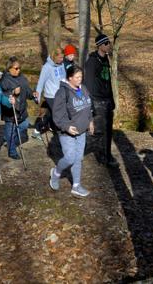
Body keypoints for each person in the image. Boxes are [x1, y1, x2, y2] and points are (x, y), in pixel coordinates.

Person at [49, 64, 94, 197]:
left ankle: (76, 186)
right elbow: (57, 115)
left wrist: (90, 121)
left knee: (78, 158)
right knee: (69, 158)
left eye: (81, 76)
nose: (80, 79)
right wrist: (67, 126)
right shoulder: (62, 92)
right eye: (77, 77)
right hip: (67, 132)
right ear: (69, 78)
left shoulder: (84, 89)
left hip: (82, 131)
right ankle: (55, 173)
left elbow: (88, 107)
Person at [84, 33, 117, 167]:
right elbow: (89, 84)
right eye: (106, 43)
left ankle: (106, 157)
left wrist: (112, 100)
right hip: (97, 101)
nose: (109, 45)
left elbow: (108, 82)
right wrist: (90, 105)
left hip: (107, 101)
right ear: (100, 46)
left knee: (108, 131)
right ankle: (76, 152)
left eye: (109, 43)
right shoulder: (92, 62)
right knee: (97, 134)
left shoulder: (105, 60)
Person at [1, 57, 38, 159]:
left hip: (22, 110)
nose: (19, 70)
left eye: (19, 68)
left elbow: (27, 91)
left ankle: (8, 139)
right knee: (11, 131)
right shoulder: (4, 80)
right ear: (9, 68)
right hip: (11, 111)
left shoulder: (22, 78)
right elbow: (1, 95)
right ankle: (12, 151)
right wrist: (13, 92)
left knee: (24, 125)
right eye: (16, 68)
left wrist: (32, 94)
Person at [33, 47, 66, 137]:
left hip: (60, 94)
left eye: (63, 57)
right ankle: (60, 132)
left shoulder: (62, 64)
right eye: (60, 58)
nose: (62, 59)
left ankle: (37, 129)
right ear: (54, 56)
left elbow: (64, 78)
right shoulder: (47, 67)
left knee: (50, 114)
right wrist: (37, 97)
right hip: (51, 95)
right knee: (58, 113)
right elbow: (41, 82)